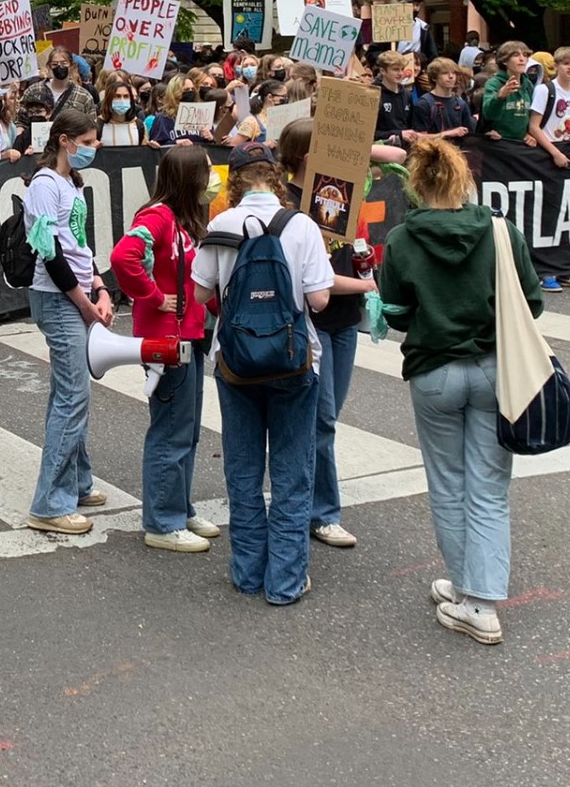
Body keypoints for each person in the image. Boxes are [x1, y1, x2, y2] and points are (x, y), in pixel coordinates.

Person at [377, 136, 542, 644]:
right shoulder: (500, 231)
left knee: (448, 483)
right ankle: (481, 596)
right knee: (490, 488)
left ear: (417, 186)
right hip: (495, 367)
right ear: (464, 181)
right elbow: (531, 304)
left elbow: (398, 313)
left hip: (434, 369)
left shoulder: (402, 240)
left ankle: (470, 593)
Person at [190, 142, 331, 604]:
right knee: (293, 470)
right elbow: (319, 300)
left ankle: (248, 571)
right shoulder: (302, 225)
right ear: (274, 177)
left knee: (243, 468)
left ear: (235, 180)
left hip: (235, 361)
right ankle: (285, 581)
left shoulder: (219, 224)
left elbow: (198, 296)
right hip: (293, 359)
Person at [110, 147, 219, 552]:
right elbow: (124, 257)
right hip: (165, 340)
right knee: (171, 430)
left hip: (187, 338)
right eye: (207, 171)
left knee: (186, 430)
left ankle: (180, 507)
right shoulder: (157, 217)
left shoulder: (183, 221)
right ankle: (163, 521)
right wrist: (155, 297)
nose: (213, 178)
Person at [279, 120, 374, 550]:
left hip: (345, 321)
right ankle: (321, 512)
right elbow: (311, 279)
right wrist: (365, 286)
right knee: (321, 420)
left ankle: (308, 501)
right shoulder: (290, 206)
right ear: (305, 155)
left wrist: (364, 261)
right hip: (314, 321)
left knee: (326, 418)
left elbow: (351, 251)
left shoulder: (340, 194)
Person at [23, 109, 113, 535]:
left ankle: (75, 481)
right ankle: (50, 502)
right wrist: (82, 301)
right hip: (56, 298)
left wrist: (99, 285)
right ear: (65, 140)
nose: (94, 149)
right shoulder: (43, 185)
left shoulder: (70, 183)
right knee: (72, 396)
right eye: (89, 142)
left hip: (73, 295)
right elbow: (49, 251)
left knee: (69, 391)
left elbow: (77, 242)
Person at [478, 41, 534, 145]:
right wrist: (500, 97)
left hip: (522, 144)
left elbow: (532, 115)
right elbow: (488, 114)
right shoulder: (494, 83)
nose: (522, 59)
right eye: (516, 55)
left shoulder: (528, 84)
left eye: (525, 55)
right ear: (504, 61)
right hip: (499, 143)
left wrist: (529, 133)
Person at [410, 58, 476, 139]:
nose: (451, 76)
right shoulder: (424, 103)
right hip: (434, 149)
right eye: (445, 73)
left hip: (458, 149)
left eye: (454, 73)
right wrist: (448, 134)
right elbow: (419, 138)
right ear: (434, 78)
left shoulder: (461, 104)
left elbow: (469, 135)